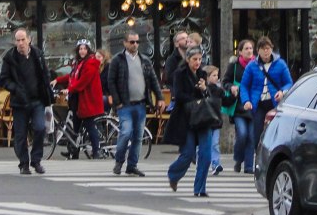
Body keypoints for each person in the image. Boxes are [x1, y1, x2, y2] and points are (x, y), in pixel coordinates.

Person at [108, 28, 164, 176]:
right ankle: (119, 161)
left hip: (140, 104)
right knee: (126, 132)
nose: (135, 45)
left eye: (137, 42)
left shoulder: (144, 60)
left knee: (138, 137)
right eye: (132, 42)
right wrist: (117, 102)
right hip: (125, 104)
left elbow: (153, 80)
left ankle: (132, 165)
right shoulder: (117, 60)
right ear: (125, 43)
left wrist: (159, 98)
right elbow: (111, 82)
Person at [0, 27, 54, 175]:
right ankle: (24, 163)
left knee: (40, 128)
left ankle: (36, 160)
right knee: (21, 135)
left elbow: (45, 74)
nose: (21, 43)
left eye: (23, 40)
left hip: (37, 100)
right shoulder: (10, 58)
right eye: (18, 40)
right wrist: (15, 88)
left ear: (29, 40)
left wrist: (47, 89)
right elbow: (3, 79)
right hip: (20, 102)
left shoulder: (37, 54)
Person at [167, 46, 217, 197]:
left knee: (206, 155)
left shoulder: (202, 74)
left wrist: (204, 89)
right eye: (195, 59)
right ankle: (173, 174)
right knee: (188, 154)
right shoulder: (179, 74)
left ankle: (200, 189)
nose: (197, 62)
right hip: (186, 118)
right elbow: (178, 95)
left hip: (202, 117)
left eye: (200, 59)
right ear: (188, 59)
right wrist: (195, 98)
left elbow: (209, 95)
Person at [239, 36, 293, 158]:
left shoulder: (280, 64)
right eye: (263, 49)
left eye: (268, 48)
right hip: (258, 104)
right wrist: (246, 101)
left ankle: (273, 157)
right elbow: (244, 85)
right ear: (258, 51)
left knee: (276, 132)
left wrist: (282, 92)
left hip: (275, 103)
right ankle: (259, 157)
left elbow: (289, 83)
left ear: (272, 49)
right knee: (257, 133)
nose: (266, 51)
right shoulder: (252, 66)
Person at [222, 38, 255, 173]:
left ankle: (248, 166)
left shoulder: (257, 65)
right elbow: (225, 81)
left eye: (251, 48)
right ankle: (238, 159)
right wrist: (231, 87)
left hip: (253, 105)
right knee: (242, 134)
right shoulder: (234, 66)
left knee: (251, 136)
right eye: (246, 48)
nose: (249, 51)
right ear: (240, 52)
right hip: (238, 106)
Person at [67, 38, 104, 158]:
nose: (82, 51)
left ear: (88, 50)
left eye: (84, 49)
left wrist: (70, 89)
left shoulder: (90, 64)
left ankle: (96, 151)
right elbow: (72, 77)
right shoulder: (79, 63)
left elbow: (83, 81)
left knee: (90, 126)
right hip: (79, 100)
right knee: (76, 127)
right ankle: (74, 151)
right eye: (80, 49)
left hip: (88, 100)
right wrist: (57, 80)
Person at [204, 64, 225, 175]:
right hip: (206, 121)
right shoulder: (204, 89)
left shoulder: (219, 90)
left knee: (215, 144)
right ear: (207, 77)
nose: (216, 77)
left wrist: (233, 95)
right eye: (214, 75)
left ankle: (215, 164)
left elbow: (226, 101)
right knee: (204, 144)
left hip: (216, 120)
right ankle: (202, 162)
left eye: (217, 75)